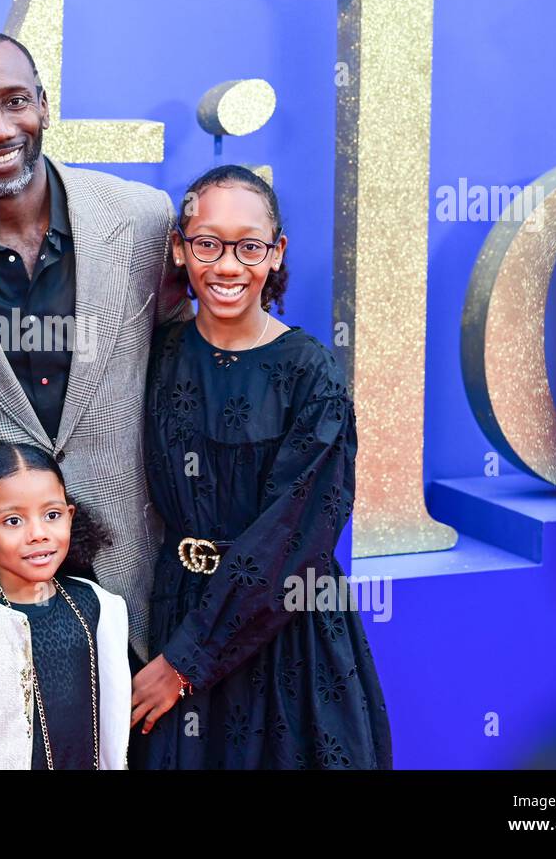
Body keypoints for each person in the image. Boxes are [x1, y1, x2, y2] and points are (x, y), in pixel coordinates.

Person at [0, 30, 190, 666]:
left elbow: (184, 384)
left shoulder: (143, 220)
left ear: (44, 105)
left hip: (133, 592)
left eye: (15, 101)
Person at [130, 164, 392, 769]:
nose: (227, 266)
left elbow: (296, 536)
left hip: (287, 634)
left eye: (250, 246)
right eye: (207, 243)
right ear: (180, 248)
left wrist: (185, 662)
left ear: (276, 254)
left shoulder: (310, 373)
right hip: (176, 608)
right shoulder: (156, 354)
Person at [0, 444, 130, 769]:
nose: (38, 534)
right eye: (13, 520)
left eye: (52, 515)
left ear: (69, 516)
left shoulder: (100, 607)